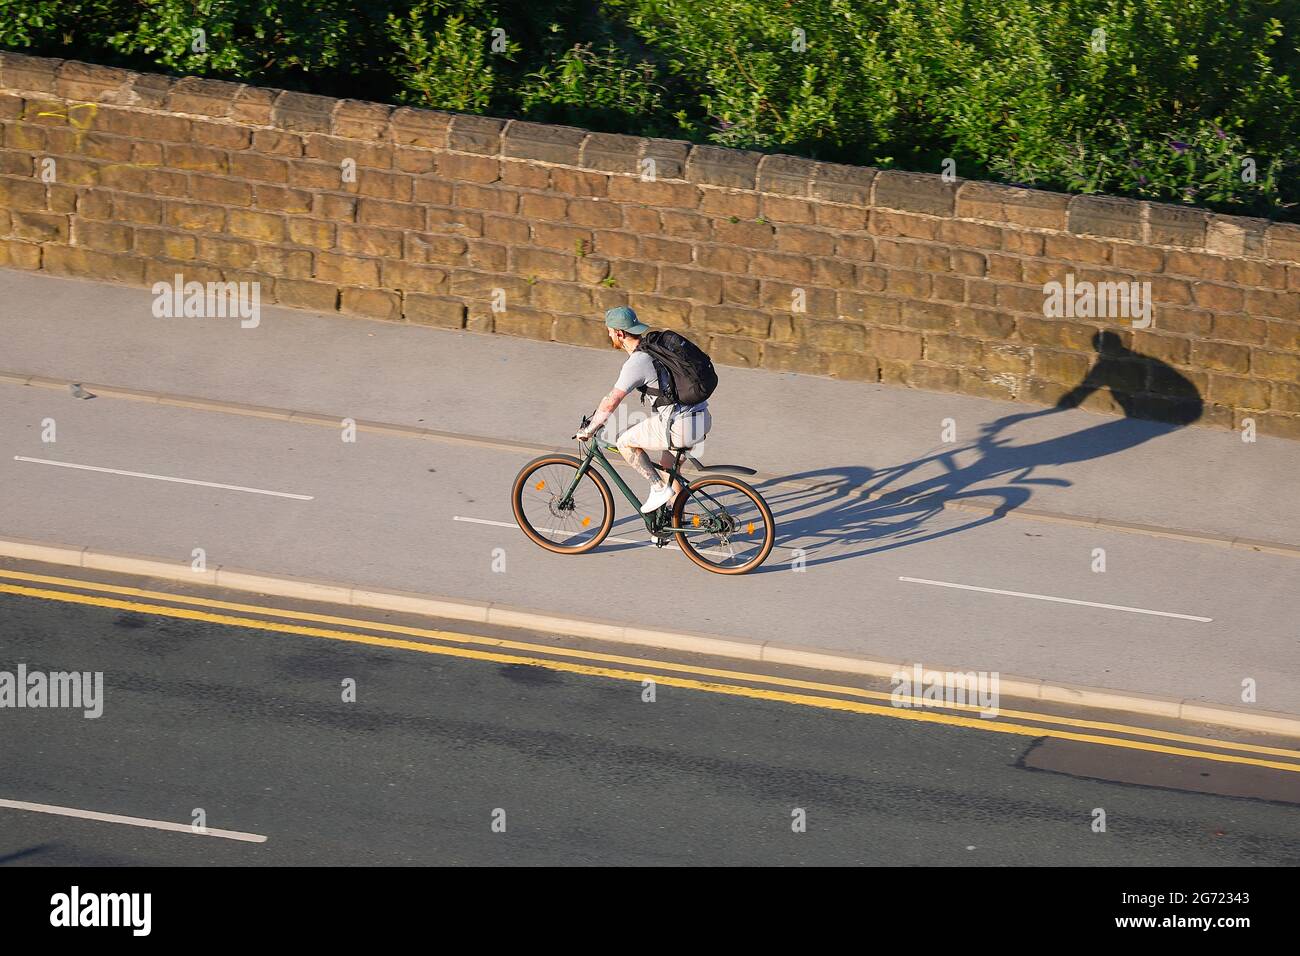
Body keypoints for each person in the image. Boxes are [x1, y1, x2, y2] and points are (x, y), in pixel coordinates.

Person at [575, 307, 712, 514]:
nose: (609, 335)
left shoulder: (637, 362)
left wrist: (590, 429)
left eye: (610, 331)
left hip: (679, 425)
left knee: (624, 442)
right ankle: (673, 520)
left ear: (620, 333)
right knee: (668, 469)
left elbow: (612, 400)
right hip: (700, 418)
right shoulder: (655, 350)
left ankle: (657, 489)